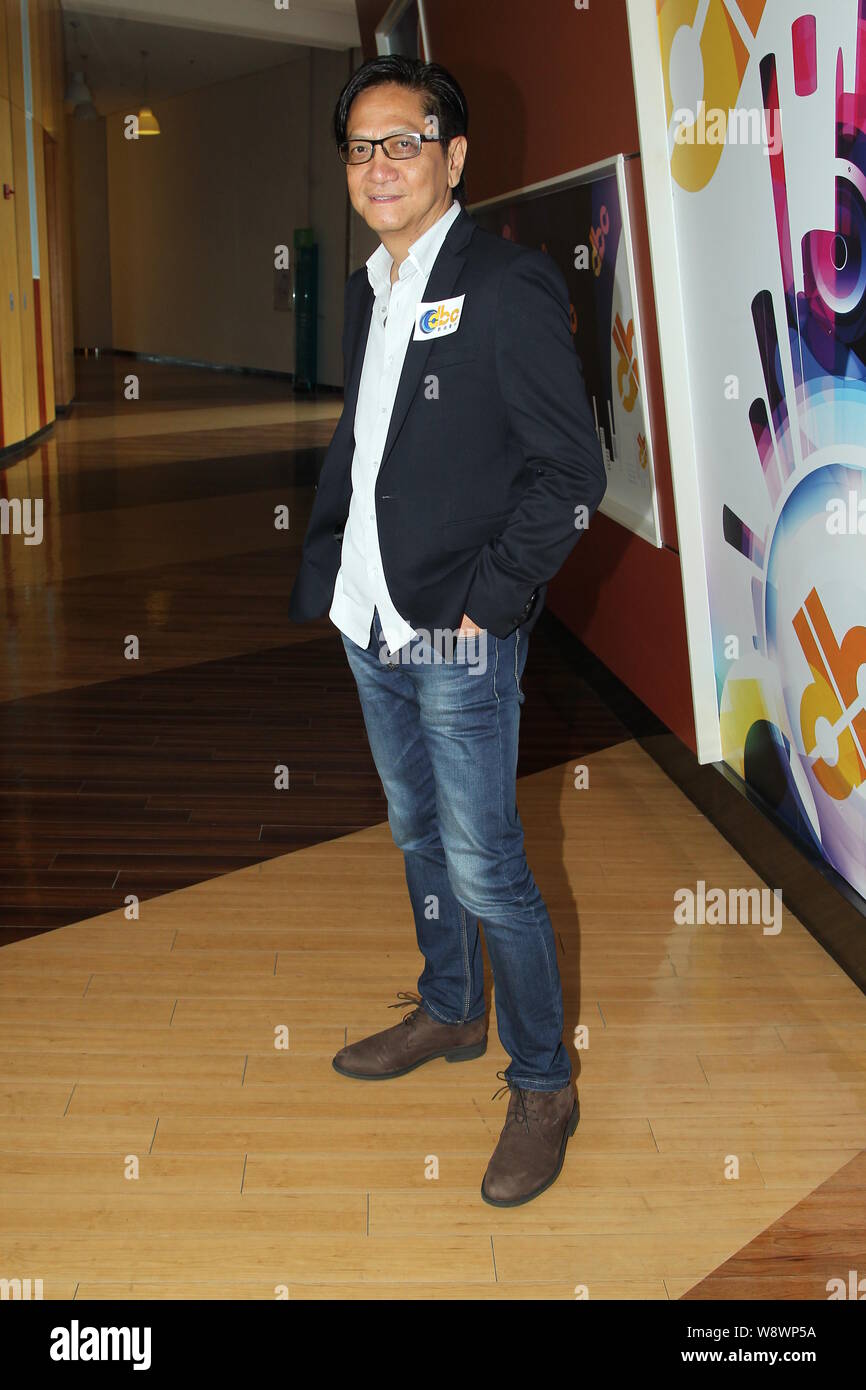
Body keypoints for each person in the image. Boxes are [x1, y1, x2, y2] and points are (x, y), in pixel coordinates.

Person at [289, 54, 607, 1206]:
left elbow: (571, 471)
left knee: (487, 863)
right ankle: (448, 1006)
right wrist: (341, 583)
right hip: (369, 617)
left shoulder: (503, 283)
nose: (378, 165)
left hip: (455, 628)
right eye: (360, 148)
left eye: (403, 141)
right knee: (415, 831)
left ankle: (541, 1082)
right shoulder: (380, 284)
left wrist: (488, 605)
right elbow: (378, 451)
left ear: (453, 156)